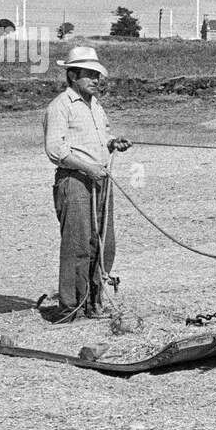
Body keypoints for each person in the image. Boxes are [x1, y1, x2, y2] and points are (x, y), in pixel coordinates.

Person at [42, 46, 131, 322]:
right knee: (78, 245)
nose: (96, 80)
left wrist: (113, 143)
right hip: (76, 181)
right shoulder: (60, 107)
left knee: (104, 243)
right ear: (72, 75)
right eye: (89, 74)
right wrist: (88, 168)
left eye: (97, 75)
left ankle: (94, 301)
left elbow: (98, 138)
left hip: (99, 178)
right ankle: (71, 309)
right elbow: (56, 150)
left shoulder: (95, 106)